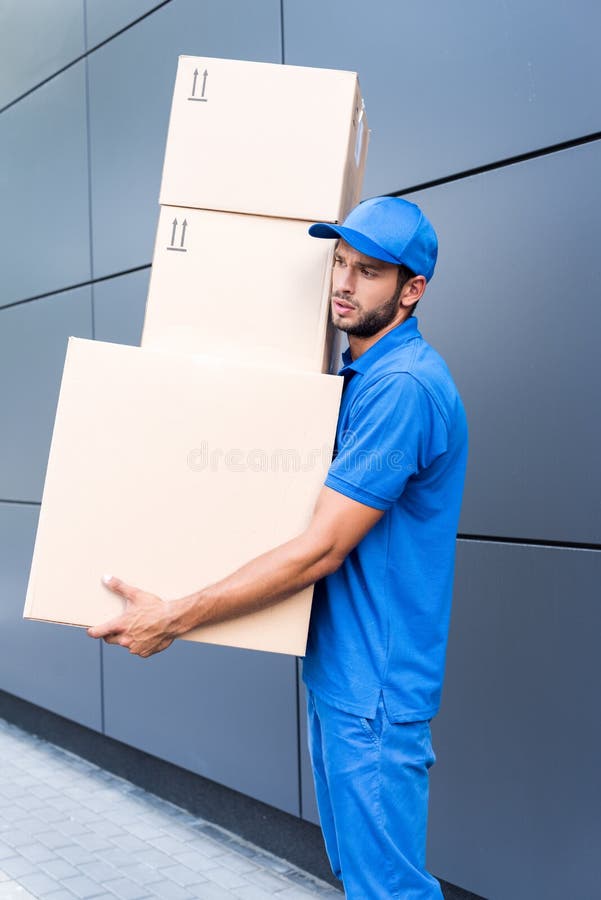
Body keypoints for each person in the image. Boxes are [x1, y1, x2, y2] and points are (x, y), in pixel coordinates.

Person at [88, 196, 468, 899]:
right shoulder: (354, 379)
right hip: (342, 674)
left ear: (412, 290)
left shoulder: (403, 388)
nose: (343, 285)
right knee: (362, 878)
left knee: (389, 888)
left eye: (370, 272)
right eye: (339, 263)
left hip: (375, 690)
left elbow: (320, 549)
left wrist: (173, 616)